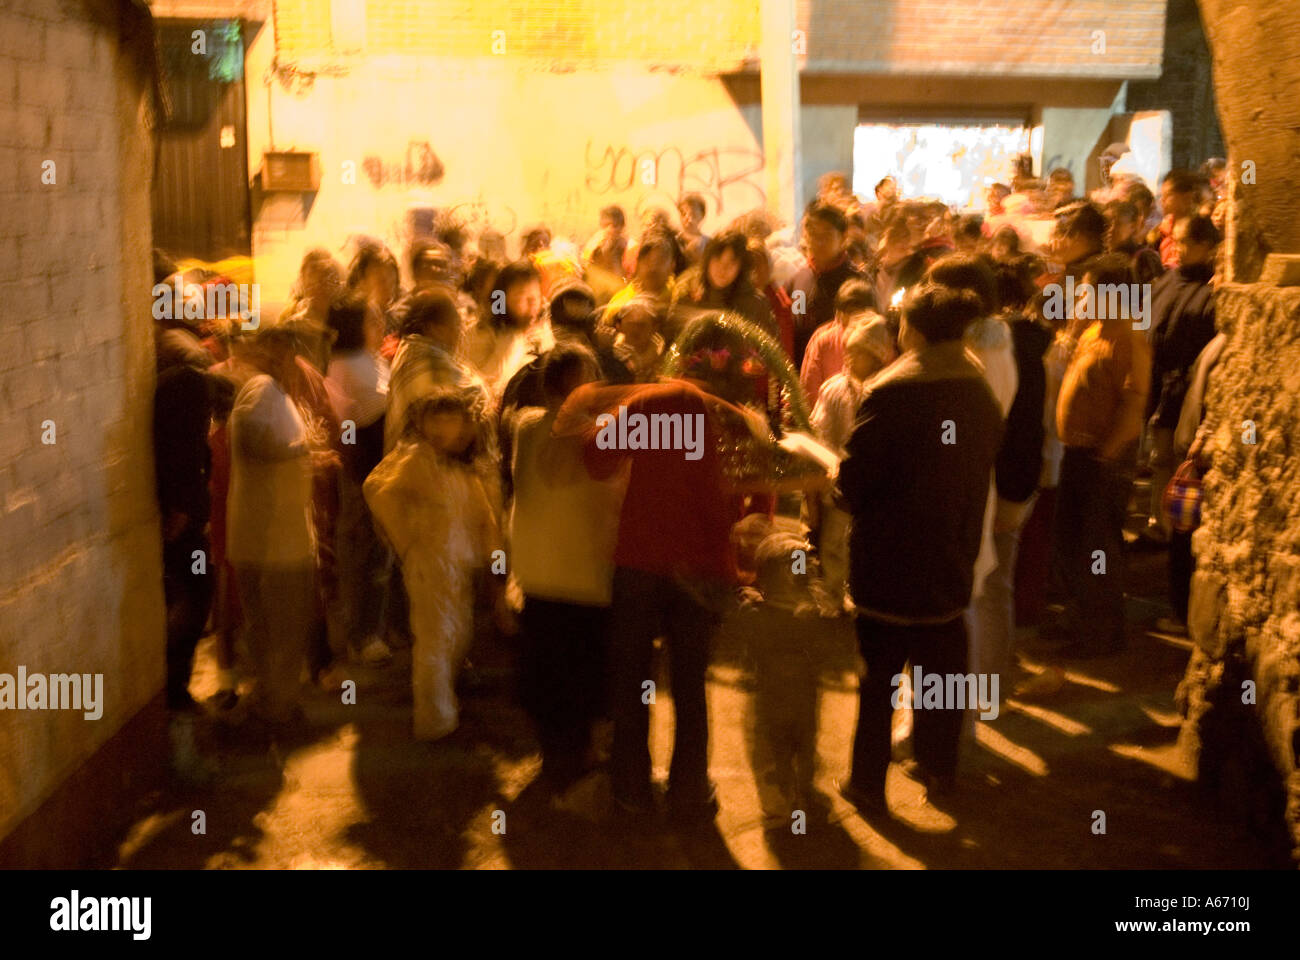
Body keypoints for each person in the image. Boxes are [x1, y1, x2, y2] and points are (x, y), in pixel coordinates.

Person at [837, 284, 1004, 811]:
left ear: (912, 329)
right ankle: (940, 773)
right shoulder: (978, 388)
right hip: (951, 556)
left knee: (878, 683)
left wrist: (835, 475)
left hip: (887, 563)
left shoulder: (891, 392)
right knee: (941, 680)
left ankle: (866, 784)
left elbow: (854, 485)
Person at [511, 344, 627, 797]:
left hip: (538, 573)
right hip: (583, 575)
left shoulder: (526, 427)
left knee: (547, 672)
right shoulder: (596, 431)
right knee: (581, 674)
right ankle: (576, 759)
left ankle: (555, 754)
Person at [365, 389, 509, 741]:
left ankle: (446, 708)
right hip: (430, 563)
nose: (457, 433)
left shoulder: (462, 463)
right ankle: (435, 721)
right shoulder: (416, 458)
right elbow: (377, 490)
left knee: (456, 634)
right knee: (436, 639)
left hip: (457, 563)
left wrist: (495, 559)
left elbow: (483, 517)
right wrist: (408, 541)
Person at [1043, 254, 1152, 658]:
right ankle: (1079, 620)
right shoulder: (1094, 331)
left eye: (1088, 288)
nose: (1081, 295)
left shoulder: (1128, 338)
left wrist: (1106, 453)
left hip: (1102, 460)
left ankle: (1100, 634)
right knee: (1075, 545)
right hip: (1078, 453)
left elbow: (1133, 400)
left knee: (1098, 550)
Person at [227, 326, 335, 725]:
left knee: (269, 630)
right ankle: (276, 712)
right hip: (275, 541)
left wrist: (305, 458)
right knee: (282, 629)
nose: (285, 363)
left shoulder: (272, 393)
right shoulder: (261, 390)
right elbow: (255, 442)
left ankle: (270, 706)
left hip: (268, 537)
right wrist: (302, 452)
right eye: (277, 354)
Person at [966, 257, 1050, 686]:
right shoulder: (1026, 343)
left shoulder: (998, 349)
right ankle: (991, 675)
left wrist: (1011, 492)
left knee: (990, 585)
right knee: (994, 585)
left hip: (1003, 481)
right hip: (1015, 478)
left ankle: (987, 680)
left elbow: (1012, 426)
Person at [809, 316, 898, 608]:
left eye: (857, 352)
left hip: (873, 485)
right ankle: (832, 593)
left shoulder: (888, 391)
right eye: (847, 350)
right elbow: (821, 430)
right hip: (840, 479)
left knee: (865, 542)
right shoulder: (834, 389)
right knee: (833, 542)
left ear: (875, 356)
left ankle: (861, 594)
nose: (848, 357)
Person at [1143, 215, 1220, 545]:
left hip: (1186, 390)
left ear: (1205, 246)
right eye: (1173, 240)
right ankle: (1157, 522)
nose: (1176, 248)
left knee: (1178, 460)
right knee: (1158, 457)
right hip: (1158, 383)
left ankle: (1177, 527)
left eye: (1184, 241)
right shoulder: (1168, 279)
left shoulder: (1212, 289)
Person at [325, 295, 390, 664]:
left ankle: (377, 629)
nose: (380, 325)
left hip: (378, 473)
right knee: (366, 557)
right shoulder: (348, 366)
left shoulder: (371, 360)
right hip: (365, 475)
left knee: (379, 557)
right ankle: (362, 636)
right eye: (372, 319)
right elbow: (349, 426)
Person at [785, 200, 864, 369]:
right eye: (813, 234)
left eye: (826, 235)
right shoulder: (798, 280)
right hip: (801, 374)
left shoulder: (857, 282)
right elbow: (796, 321)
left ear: (843, 237)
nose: (818, 242)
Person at [463, 258, 551, 397]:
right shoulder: (480, 333)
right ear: (502, 299)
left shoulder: (543, 329)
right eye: (521, 296)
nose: (532, 303)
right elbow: (485, 386)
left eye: (536, 296)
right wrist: (514, 337)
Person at [667, 230, 773, 344]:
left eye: (732, 262)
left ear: (740, 267)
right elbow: (671, 343)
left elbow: (770, 351)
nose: (723, 268)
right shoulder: (688, 296)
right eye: (718, 259)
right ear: (708, 260)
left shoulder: (755, 305)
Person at [799, 279, 879, 405]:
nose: (856, 320)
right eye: (851, 313)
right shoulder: (823, 340)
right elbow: (809, 392)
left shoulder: (882, 338)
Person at [601, 225, 678, 332]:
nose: (653, 267)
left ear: (672, 266)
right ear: (637, 263)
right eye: (647, 260)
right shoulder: (619, 306)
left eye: (660, 261)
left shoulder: (681, 298)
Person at [1150, 169, 1203, 270]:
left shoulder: (1198, 228)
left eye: (1168, 195)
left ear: (1187, 197)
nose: (1162, 200)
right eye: (1162, 195)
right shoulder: (1161, 230)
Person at [1105, 200, 1164, 287]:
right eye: (1107, 224)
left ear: (1132, 226)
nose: (1111, 229)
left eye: (1118, 224)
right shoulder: (1101, 257)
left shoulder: (1145, 259)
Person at [677, 193, 709, 267]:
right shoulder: (674, 241)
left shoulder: (708, 244)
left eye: (693, 214)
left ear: (702, 216)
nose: (688, 219)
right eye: (683, 214)